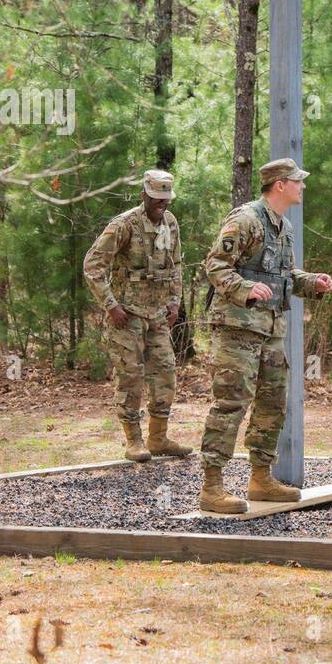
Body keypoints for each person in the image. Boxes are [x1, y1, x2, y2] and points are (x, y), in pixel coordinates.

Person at [198, 158, 332, 513]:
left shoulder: (283, 227)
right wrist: (244, 288)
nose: (302, 187)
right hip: (237, 328)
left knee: (273, 402)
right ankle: (212, 487)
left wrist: (312, 282)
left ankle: (260, 478)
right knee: (231, 402)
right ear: (280, 185)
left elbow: (285, 275)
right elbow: (215, 265)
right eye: (297, 182)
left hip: (272, 328)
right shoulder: (245, 220)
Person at [82, 169, 192, 462]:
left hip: (157, 315)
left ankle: (158, 438)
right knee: (131, 376)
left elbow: (177, 265)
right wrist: (111, 305)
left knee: (165, 374)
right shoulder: (124, 225)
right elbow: (93, 266)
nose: (162, 204)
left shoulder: (171, 223)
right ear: (143, 194)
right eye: (156, 198)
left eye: (166, 199)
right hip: (127, 315)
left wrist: (173, 303)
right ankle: (134, 441)